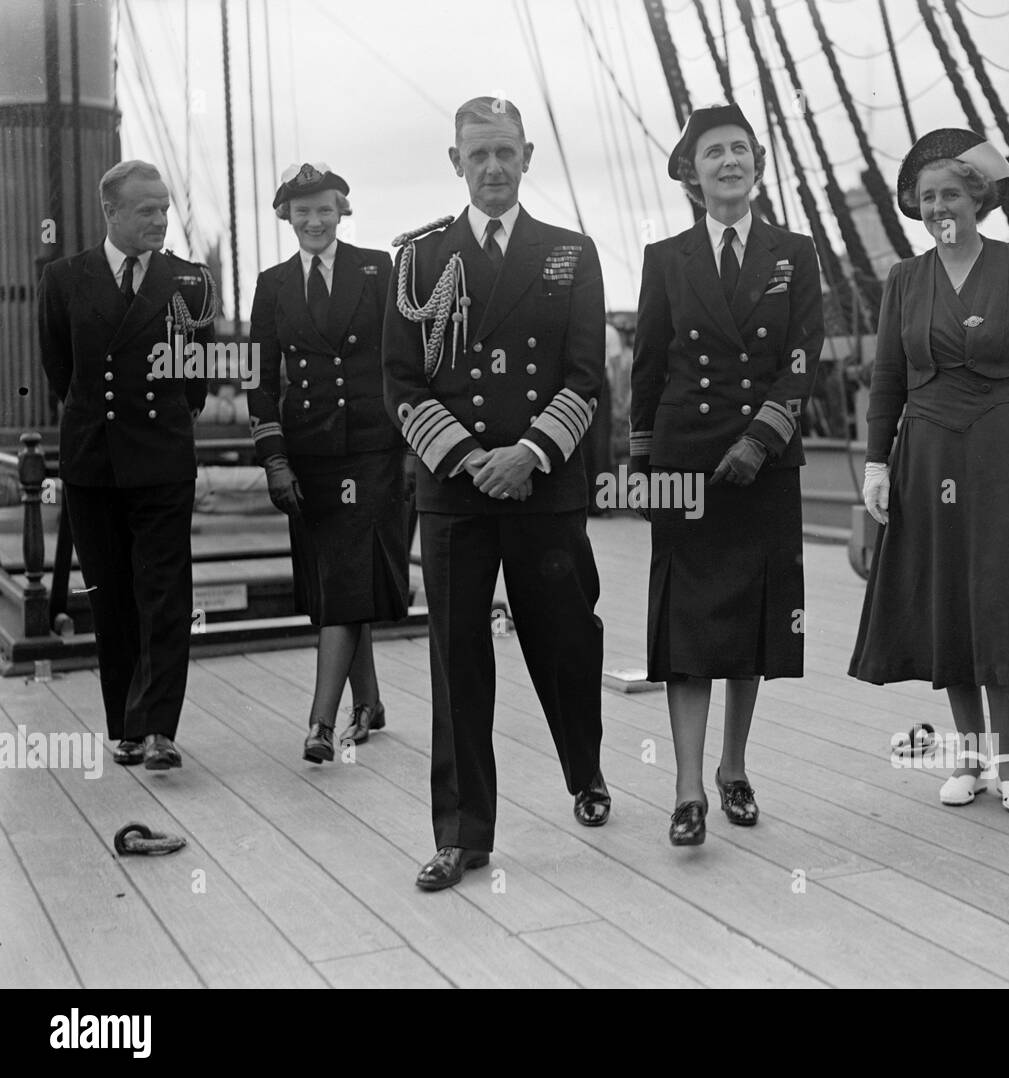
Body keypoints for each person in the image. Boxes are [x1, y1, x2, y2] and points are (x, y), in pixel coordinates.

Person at [383, 96, 610, 892]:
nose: (492, 167)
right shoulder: (416, 261)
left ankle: (585, 768)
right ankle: (462, 834)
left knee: (567, 641)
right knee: (458, 663)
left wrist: (531, 452)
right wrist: (472, 457)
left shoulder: (570, 254)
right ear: (455, 162)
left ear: (527, 155)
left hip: (543, 487)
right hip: (457, 492)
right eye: (477, 154)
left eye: (505, 152)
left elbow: (587, 375)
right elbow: (402, 383)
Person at [848, 129, 1009, 815]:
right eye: (926, 197)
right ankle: (969, 755)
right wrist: (875, 465)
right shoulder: (903, 279)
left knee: (1001, 594)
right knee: (948, 595)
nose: (937, 206)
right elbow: (888, 377)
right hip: (925, 450)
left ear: (976, 198)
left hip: (1003, 448)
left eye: (950, 192)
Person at [630, 103, 824, 846]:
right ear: (691, 172)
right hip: (686, 465)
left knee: (751, 624)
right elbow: (647, 369)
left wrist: (760, 438)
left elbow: (802, 357)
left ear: (759, 166)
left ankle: (733, 770)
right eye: (714, 153)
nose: (729, 162)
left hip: (763, 467)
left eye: (741, 149)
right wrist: (642, 468)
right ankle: (686, 791)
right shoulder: (664, 259)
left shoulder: (794, 253)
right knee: (687, 630)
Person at [37, 160, 215, 770]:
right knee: (110, 597)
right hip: (93, 464)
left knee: (166, 594)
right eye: (147, 210)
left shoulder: (191, 282)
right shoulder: (63, 279)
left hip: (163, 461)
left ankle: (160, 727)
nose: (161, 219)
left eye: (165, 208)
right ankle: (125, 727)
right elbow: (63, 372)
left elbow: (198, 382)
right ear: (111, 212)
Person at [247, 162, 411, 764]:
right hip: (309, 454)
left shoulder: (378, 269)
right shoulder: (272, 285)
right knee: (341, 580)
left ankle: (320, 721)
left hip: (371, 450)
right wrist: (274, 458)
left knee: (344, 578)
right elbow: (259, 381)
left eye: (324, 209)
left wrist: (410, 441)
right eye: (301, 211)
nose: (313, 221)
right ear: (285, 216)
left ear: (342, 211)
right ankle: (368, 701)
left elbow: (401, 359)